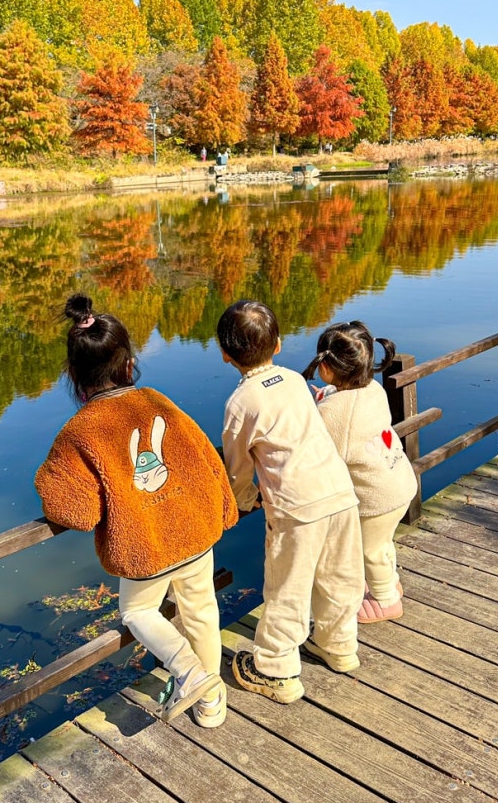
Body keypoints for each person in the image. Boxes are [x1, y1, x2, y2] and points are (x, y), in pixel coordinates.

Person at [35, 293, 238, 727]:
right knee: (201, 611)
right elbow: (205, 455)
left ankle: (188, 672)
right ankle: (211, 702)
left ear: (73, 375)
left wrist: (45, 479)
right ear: (129, 363)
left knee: (138, 613)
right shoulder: (158, 402)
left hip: (145, 545)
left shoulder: (80, 431)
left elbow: (74, 510)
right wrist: (224, 505)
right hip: (194, 532)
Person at [216, 300, 363, 705]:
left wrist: (243, 501)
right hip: (339, 491)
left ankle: (276, 669)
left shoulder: (241, 404)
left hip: (297, 508)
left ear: (224, 352)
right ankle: (339, 646)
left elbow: (237, 467)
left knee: (287, 587)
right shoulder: (295, 381)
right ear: (278, 345)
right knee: (340, 576)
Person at [303, 321, 418, 624]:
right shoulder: (372, 388)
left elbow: (319, 445)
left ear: (325, 366)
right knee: (382, 543)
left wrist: (319, 407)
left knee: (371, 549)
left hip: (376, 498)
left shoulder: (334, 412)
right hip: (399, 481)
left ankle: (386, 600)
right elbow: (348, 414)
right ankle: (389, 583)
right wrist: (327, 398)